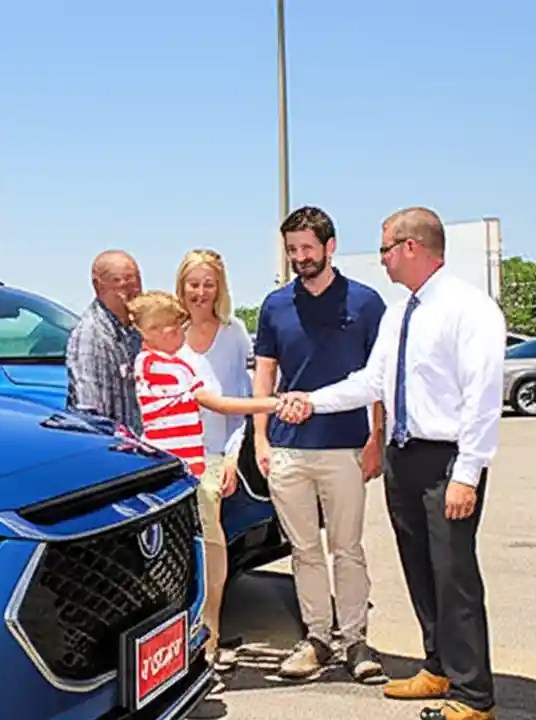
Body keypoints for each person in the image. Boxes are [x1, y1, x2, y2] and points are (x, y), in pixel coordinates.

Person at [280, 206, 505, 720]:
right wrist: (311, 400)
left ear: (410, 247)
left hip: (447, 461)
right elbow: (371, 383)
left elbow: (482, 399)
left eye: (384, 248)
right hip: (404, 457)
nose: (380, 259)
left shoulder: (470, 309)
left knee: (454, 577)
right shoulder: (402, 312)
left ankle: (473, 696)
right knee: (421, 570)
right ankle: (438, 666)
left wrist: (466, 474)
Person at [125, 290, 292, 686]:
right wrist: (271, 404)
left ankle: (206, 639)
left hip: (192, 472)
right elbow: (217, 404)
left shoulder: (165, 362)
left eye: (177, 324)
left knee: (206, 561)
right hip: (180, 480)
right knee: (204, 560)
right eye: (168, 327)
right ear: (152, 332)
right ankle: (201, 644)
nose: (177, 332)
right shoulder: (160, 367)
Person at [251, 205, 387, 683]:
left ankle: (356, 642)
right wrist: (261, 439)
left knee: (347, 549)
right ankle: (316, 639)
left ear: (330, 247)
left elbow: (379, 380)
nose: (299, 257)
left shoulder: (367, 303)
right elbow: (264, 371)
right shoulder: (274, 305)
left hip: (346, 447)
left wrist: (376, 442)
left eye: (307, 247)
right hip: (288, 449)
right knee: (304, 550)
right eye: (292, 249)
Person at [172, 249, 252, 674]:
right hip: (170, 458)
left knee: (211, 548)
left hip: (212, 458)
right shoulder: (167, 333)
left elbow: (238, 400)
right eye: (193, 283)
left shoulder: (234, 333)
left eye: (209, 283)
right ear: (181, 286)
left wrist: (234, 458)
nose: (201, 292)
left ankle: (211, 636)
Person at [65, 250, 145, 434]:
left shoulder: (136, 329)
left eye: (137, 280)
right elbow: (91, 414)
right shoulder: (91, 335)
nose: (134, 289)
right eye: (122, 281)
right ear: (98, 285)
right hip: (118, 452)